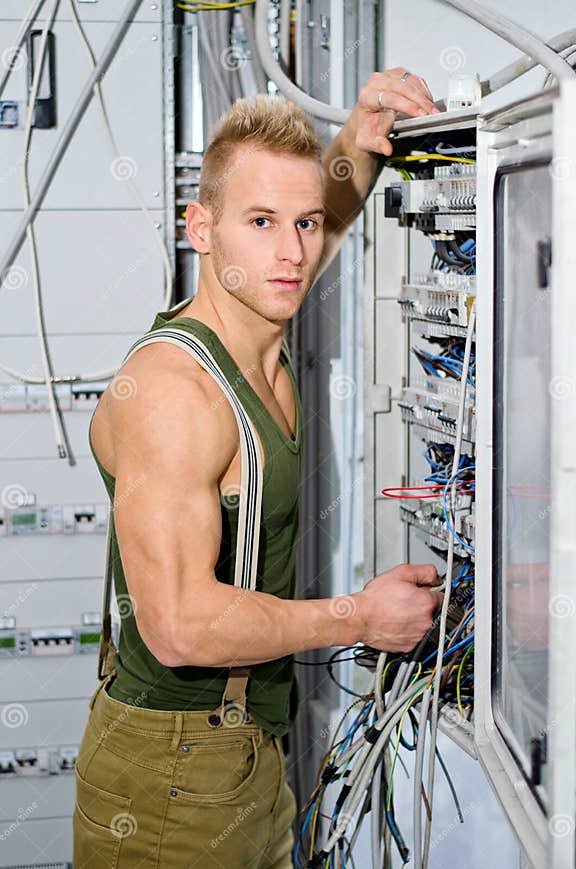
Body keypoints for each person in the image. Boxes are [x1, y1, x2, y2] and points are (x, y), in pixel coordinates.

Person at [73, 69, 442, 868]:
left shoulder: (263, 303)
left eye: (306, 223)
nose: (293, 251)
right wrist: (360, 618)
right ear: (200, 228)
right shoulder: (176, 396)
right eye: (262, 221)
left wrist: (355, 141)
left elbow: (303, 229)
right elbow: (178, 625)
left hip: (242, 753)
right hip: (170, 769)